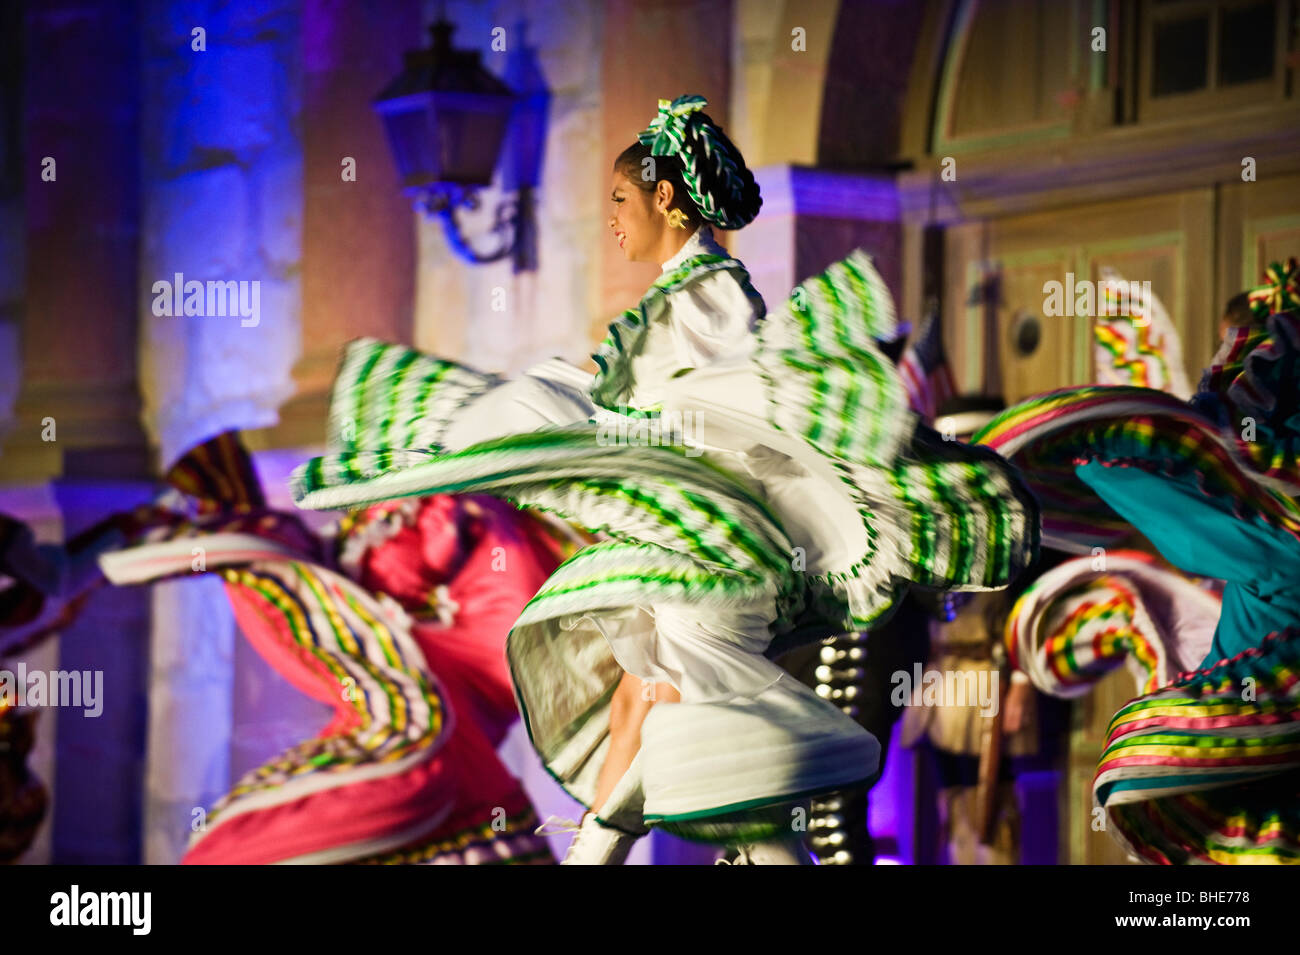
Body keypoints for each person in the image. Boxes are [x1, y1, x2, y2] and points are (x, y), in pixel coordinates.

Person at [292, 93, 1040, 865]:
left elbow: (718, 408)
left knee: (703, 753)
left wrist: (589, 432)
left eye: (619, 199)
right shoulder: (690, 291)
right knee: (640, 706)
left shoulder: (707, 292)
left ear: (665, 198)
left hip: (714, 555)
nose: (611, 219)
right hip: (699, 551)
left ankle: (617, 847)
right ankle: (611, 846)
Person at [0, 431, 567, 864]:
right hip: (431, 766)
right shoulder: (392, 563)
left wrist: (117, 547)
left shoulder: (430, 546)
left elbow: (55, 588)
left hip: (416, 753)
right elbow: (55, 589)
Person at [975, 258, 1300, 864]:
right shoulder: (1263, 514)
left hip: (1255, 751)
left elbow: (1165, 495)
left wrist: (1086, 446)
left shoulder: (1268, 528)